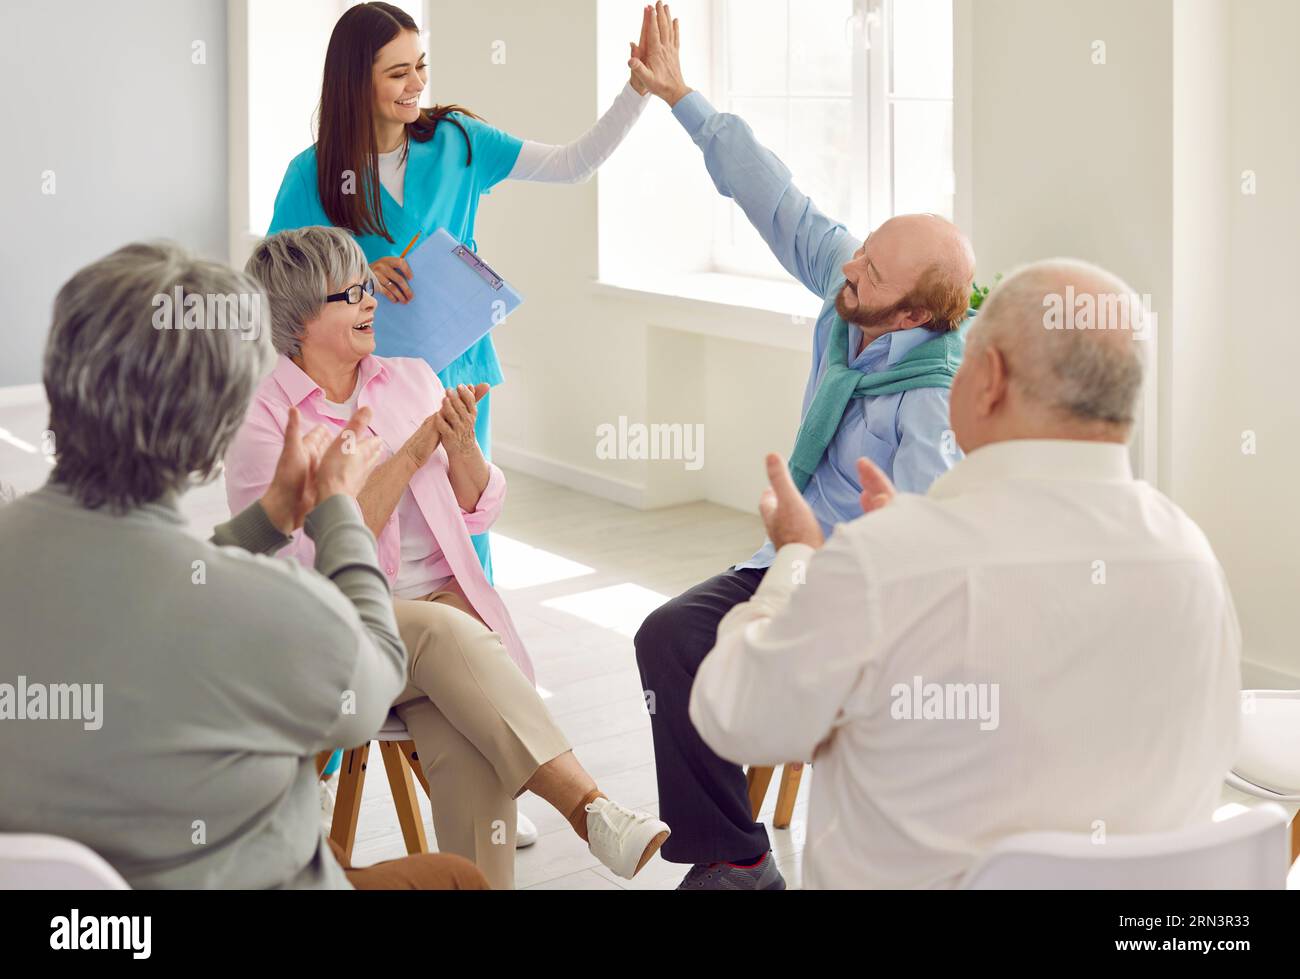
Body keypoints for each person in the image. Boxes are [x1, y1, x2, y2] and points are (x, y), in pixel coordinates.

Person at [690, 260, 1241, 889]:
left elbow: (735, 714)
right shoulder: (1192, 560)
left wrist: (797, 560)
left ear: (991, 379)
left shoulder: (886, 563)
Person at [0, 241, 485, 890]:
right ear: (215, 429)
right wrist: (338, 512)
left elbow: (159, 584)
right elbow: (368, 688)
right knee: (460, 880)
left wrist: (270, 519)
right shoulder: (266, 609)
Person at [627, 2, 976, 888]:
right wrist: (682, 98)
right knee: (667, 636)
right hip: (782, 561)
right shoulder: (845, 293)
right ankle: (734, 853)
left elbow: (920, 547)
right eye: (859, 252)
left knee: (792, 685)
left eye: (871, 270)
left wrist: (822, 574)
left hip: (855, 591)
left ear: (914, 313)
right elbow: (773, 194)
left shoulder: (931, 398)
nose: (848, 266)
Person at [227, 226, 671, 889]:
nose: (371, 301)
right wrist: (407, 453)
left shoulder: (409, 377)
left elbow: (481, 508)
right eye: (350, 293)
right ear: (299, 320)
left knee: (468, 740)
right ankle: (590, 808)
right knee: (445, 630)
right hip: (336, 630)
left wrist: (462, 448)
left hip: (442, 628)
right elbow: (313, 560)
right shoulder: (267, 423)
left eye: (368, 285)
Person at [267, 0, 658, 583]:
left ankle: (477, 641)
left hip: (459, 375)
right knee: (380, 524)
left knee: (467, 519)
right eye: (398, 73)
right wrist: (355, 273)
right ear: (354, 82)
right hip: (366, 387)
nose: (417, 84)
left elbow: (574, 164)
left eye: (420, 65)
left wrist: (638, 91)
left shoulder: (458, 142)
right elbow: (275, 284)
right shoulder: (313, 174)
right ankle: (390, 644)